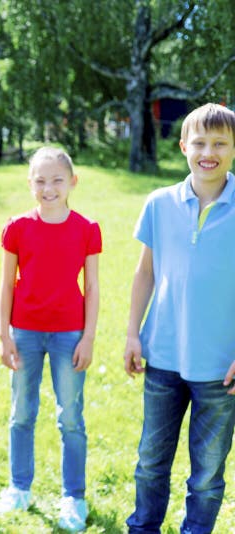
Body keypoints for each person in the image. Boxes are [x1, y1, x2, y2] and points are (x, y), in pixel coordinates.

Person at [124, 103, 235, 534]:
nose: (209, 152)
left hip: (221, 368)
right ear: (184, 146)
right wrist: (132, 334)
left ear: (233, 148)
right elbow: (145, 273)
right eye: (200, 143)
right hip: (163, 357)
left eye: (220, 143)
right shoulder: (159, 203)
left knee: (207, 475)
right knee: (151, 462)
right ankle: (143, 528)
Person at [0, 147, 101, 531]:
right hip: (24, 332)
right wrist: (3, 335)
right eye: (40, 180)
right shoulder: (17, 227)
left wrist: (88, 338)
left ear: (73, 182)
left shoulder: (87, 229)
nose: (48, 188)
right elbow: (6, 285)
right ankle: (19, 488)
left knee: (70, 417)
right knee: (22, 413)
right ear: (29, 183)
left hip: (69, 333)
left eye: (57, 180)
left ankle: (74, 497)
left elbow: (93, 287)